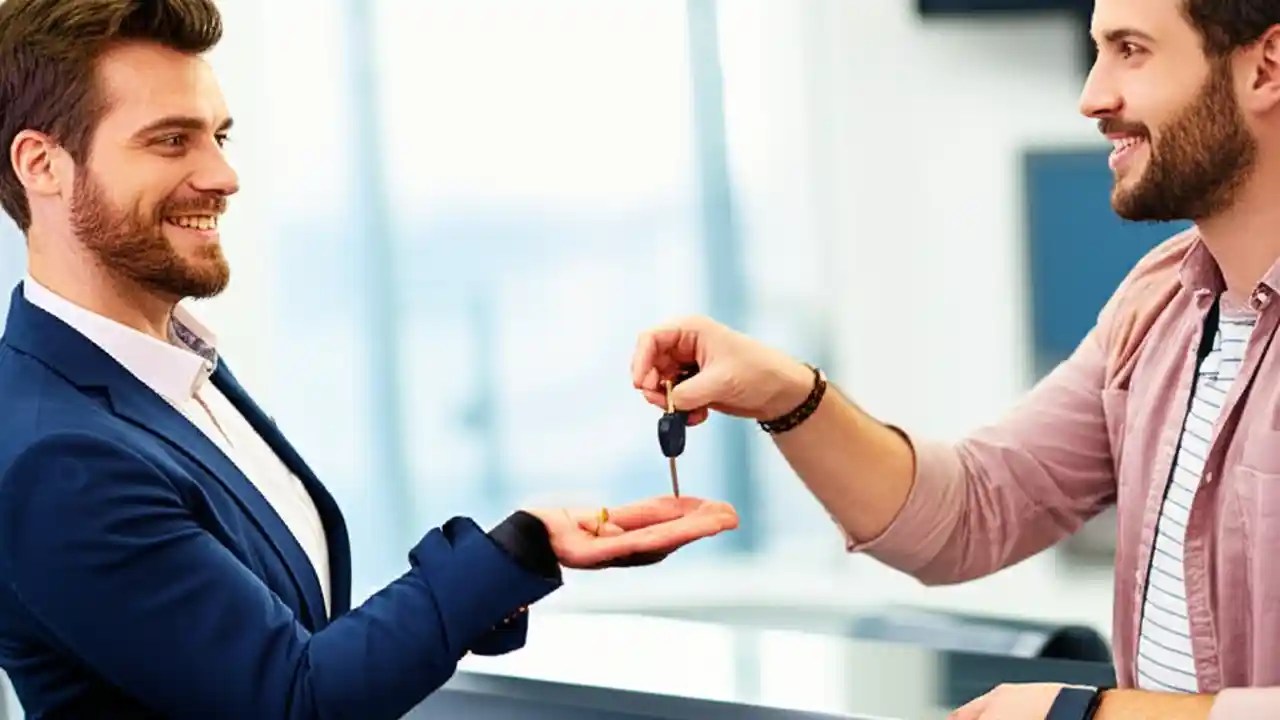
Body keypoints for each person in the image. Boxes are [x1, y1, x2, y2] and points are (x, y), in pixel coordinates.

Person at [0, 1, 740, 718]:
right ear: (43, 164)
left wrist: (524, 546)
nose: (224, 176)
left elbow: (290, 641)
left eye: (221, 135)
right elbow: (294, 699)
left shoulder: (175, 371)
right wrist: (505, 556)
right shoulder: (57, 457)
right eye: (171, 140)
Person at [632, 1, 1279, 719]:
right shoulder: (1158, 306)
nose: (1093, 95)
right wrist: (786, 394)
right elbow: (973, 508)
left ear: (1266, 66)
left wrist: (1090, 716)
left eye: (1131, 49)